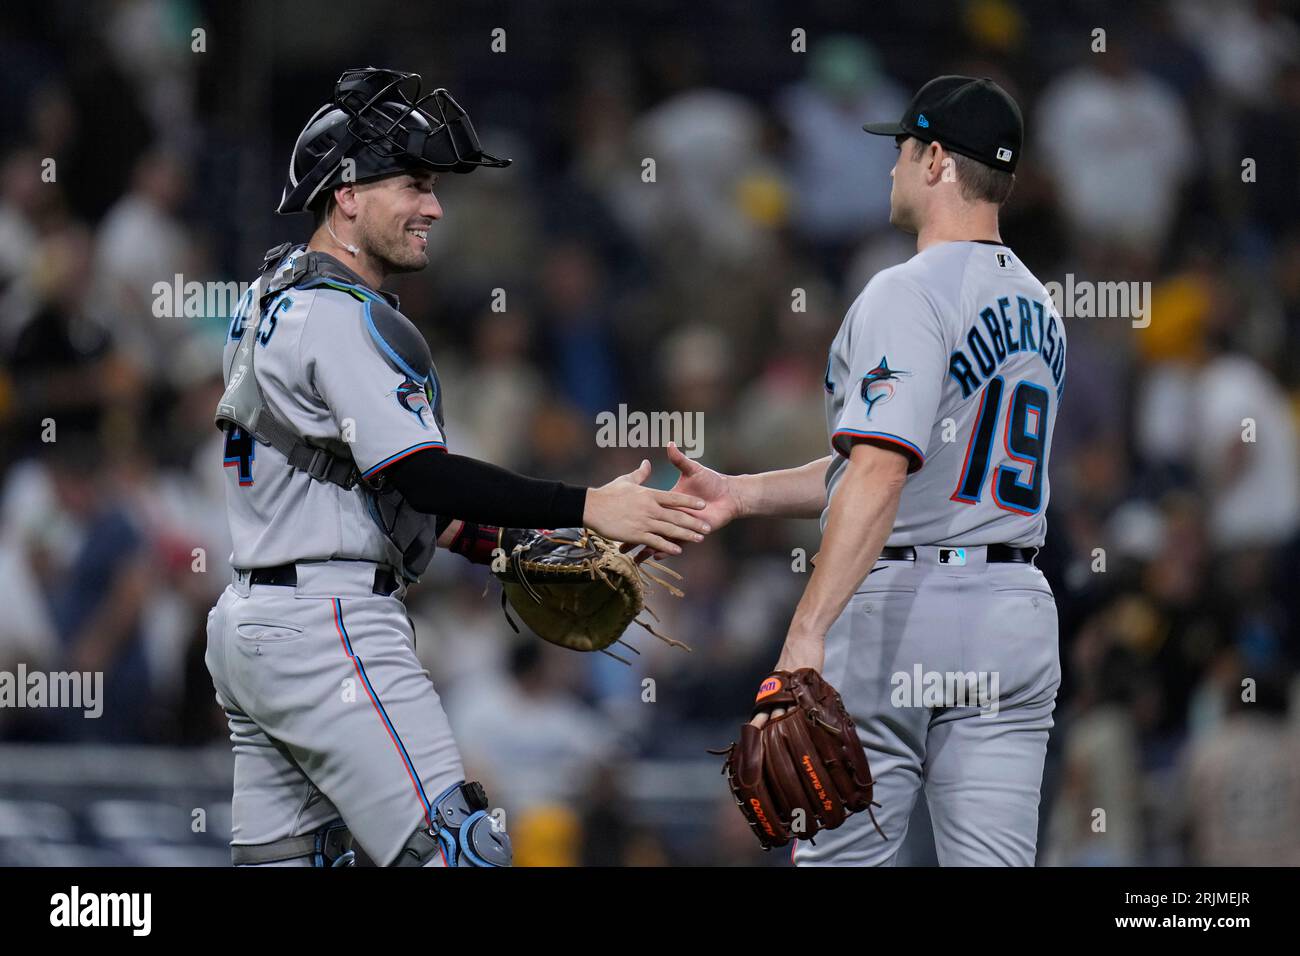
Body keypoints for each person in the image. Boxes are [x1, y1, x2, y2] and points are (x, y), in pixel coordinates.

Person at [205, 67, 709, 867]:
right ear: (346, 194)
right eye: (413, 184)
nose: (434, 207)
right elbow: (421, 475)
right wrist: (584, 507)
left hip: (254, 623)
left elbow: (357, 485)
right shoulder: (340, 317)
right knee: (463, 852)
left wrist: (495, 544)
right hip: (329, 628)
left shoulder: (269, 294)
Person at [670, 76, 1065, 865]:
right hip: (1013, 608)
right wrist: (742, 493)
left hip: (905, 608)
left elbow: (882, 474)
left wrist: (804, 633)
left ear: (936, 163)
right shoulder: (1037, 302)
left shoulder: (906, 289)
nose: (890, 167)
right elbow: (906, 462)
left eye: (901, 148)